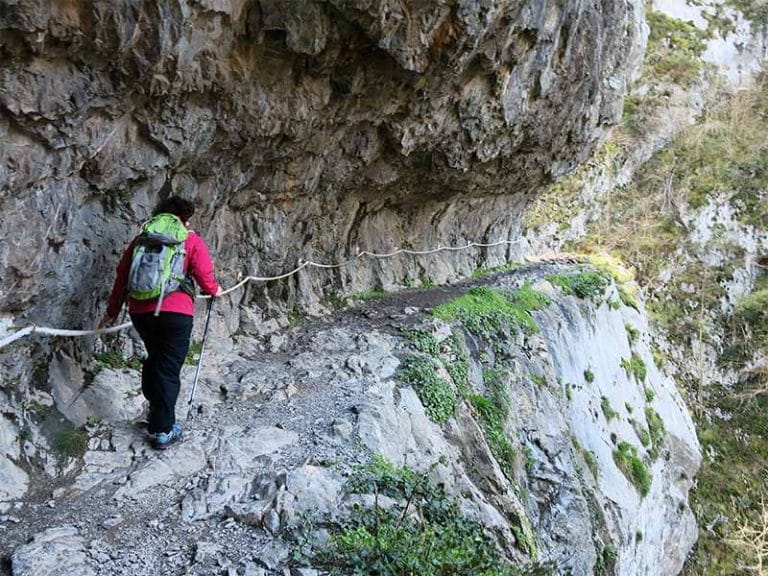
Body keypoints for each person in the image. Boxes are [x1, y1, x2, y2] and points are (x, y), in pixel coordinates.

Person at [99, 196, 222, 449]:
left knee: (156, 358)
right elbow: (203, 272)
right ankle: (162, 430)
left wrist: (112, 310)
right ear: (185, 218)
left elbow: (122, 274)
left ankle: (156, 410)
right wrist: (214, 290)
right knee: (168, 368)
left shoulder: (142, 239)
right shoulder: (189, 239)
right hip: (176, 313)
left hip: (141, 312)